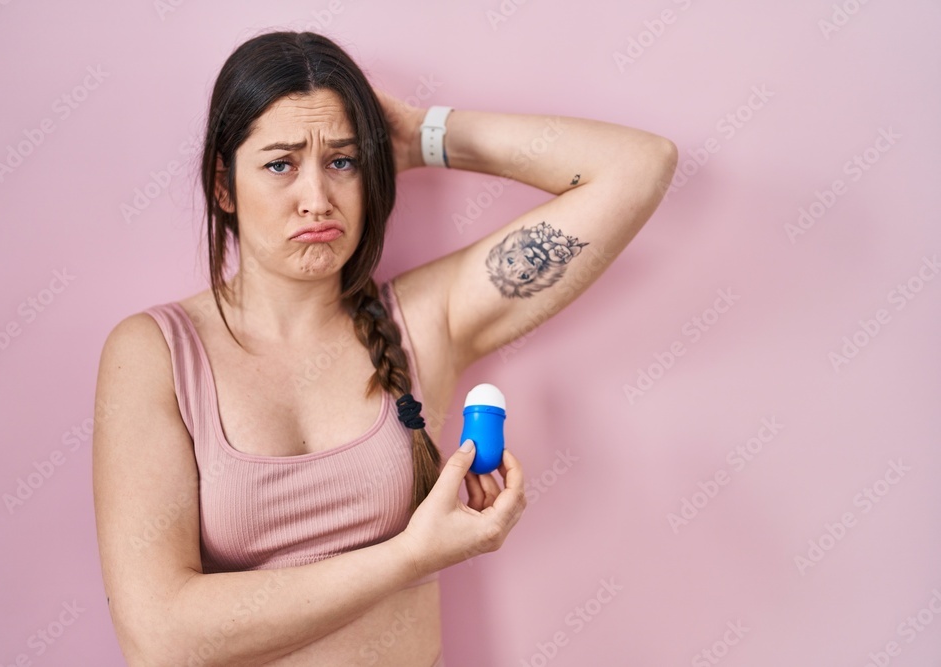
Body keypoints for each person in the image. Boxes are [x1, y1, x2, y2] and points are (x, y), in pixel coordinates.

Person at [92, 30, 676, 667]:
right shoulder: (153, 353)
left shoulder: (424, 322)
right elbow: (160, 639)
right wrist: (411, 557)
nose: (318, 198)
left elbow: (637, 166)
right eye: (281, 164)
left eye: (342, 161)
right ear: (224, 186)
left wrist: (425, 135)